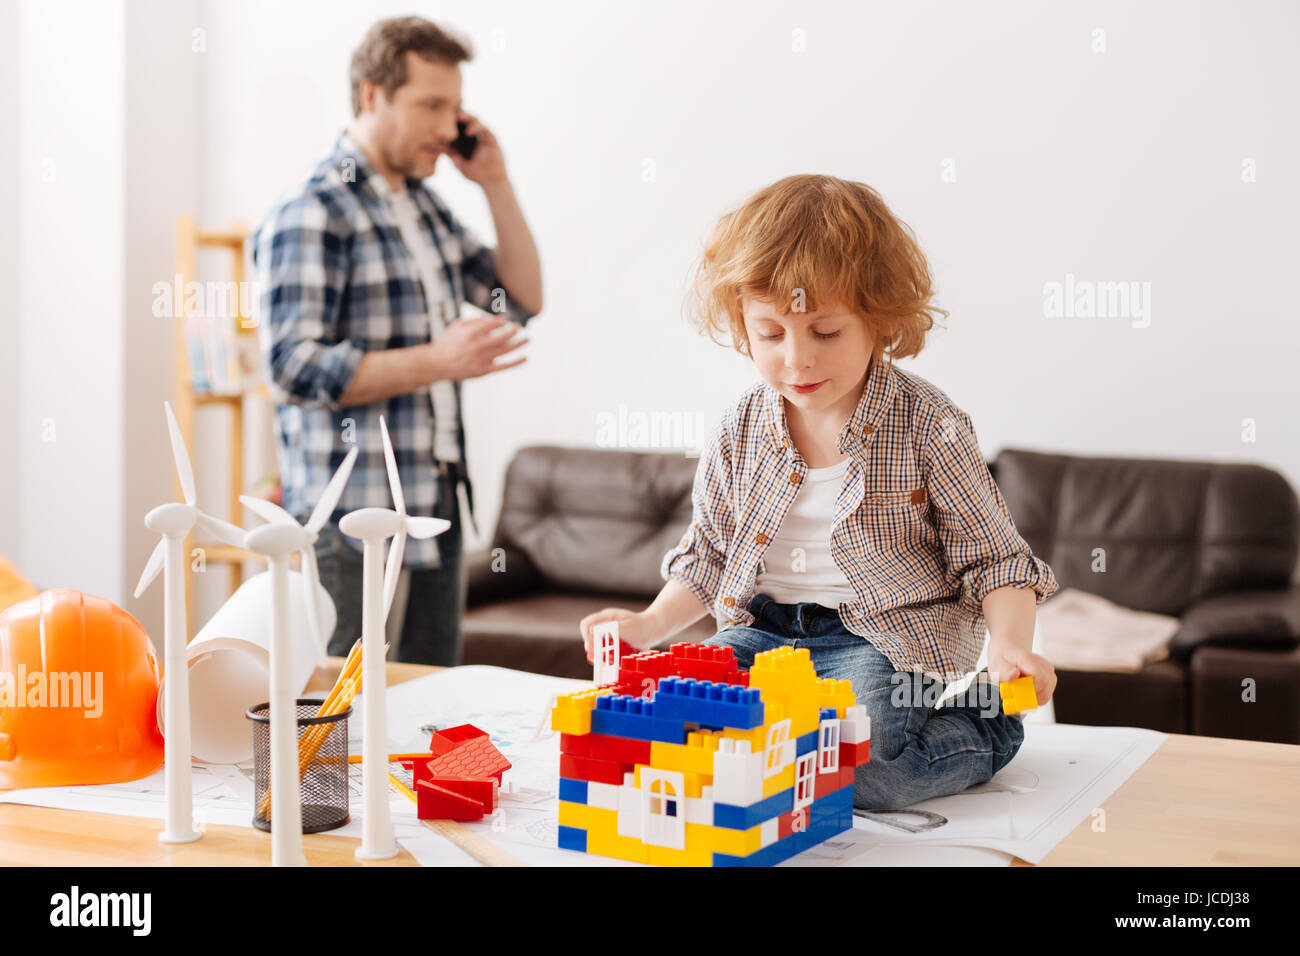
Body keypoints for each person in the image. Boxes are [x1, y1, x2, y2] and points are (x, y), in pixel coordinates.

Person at [579, 175, 1058, 811]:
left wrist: (1010, 645)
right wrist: (647, 624)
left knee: (862, 763)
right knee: (688, 729)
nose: (798, 360)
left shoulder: (927, 423)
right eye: (771, 334)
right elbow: (710, 557)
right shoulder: (741, 427)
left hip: (873, 640)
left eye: (825, 333)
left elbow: (995, 558)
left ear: (881, 323)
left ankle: (986, 724)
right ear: (741, 325)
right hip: (762, 633)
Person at [253, 16, 542, 665]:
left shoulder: (422, 206)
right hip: (348, 515)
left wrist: (495, 182)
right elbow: (292, 367)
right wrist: (440, 360)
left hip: (432, 500)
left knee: (428, 707)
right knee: (336, 721)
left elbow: (519, 298)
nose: (447, 128)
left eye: (456, 108)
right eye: (431, 106)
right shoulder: (314, 208)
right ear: (372, 96)